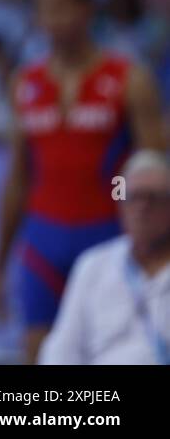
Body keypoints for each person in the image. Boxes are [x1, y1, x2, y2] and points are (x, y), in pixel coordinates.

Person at [0, 0, 166, 363]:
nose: (52, 21)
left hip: (108, 238)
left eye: (62, 8)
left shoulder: (129, 80)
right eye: (44, 10)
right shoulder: (25, 84)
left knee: (116, 351)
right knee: (36, 352)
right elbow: (18, 178)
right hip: (43, 242)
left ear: (87, 9)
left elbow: (155, 175)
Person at [39, 149, 170, 364]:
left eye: (153, 198)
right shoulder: (93, 265)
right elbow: (62, 349)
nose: (142, 208)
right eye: (133, 197)